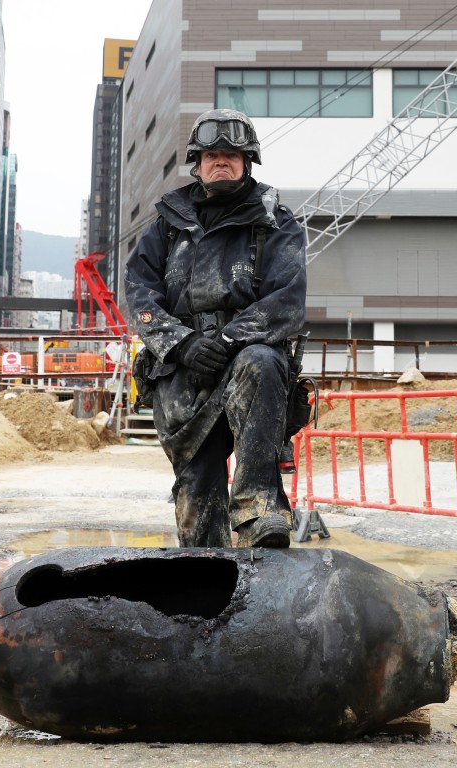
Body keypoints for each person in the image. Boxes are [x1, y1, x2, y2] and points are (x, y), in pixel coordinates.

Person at [124, 108, 307, 548]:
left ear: (248, 162)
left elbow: (287, 300)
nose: (220, 161)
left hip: (248, 366)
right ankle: (205, 577)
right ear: (197, 162)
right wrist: (181, 344)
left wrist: (228, 340)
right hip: (182, 379)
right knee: (198, 492)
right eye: (211, 155)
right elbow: (139, 292)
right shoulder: (167, 225)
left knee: (260, 361)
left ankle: (258, 511)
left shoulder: (275, 223)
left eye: (231, 154)